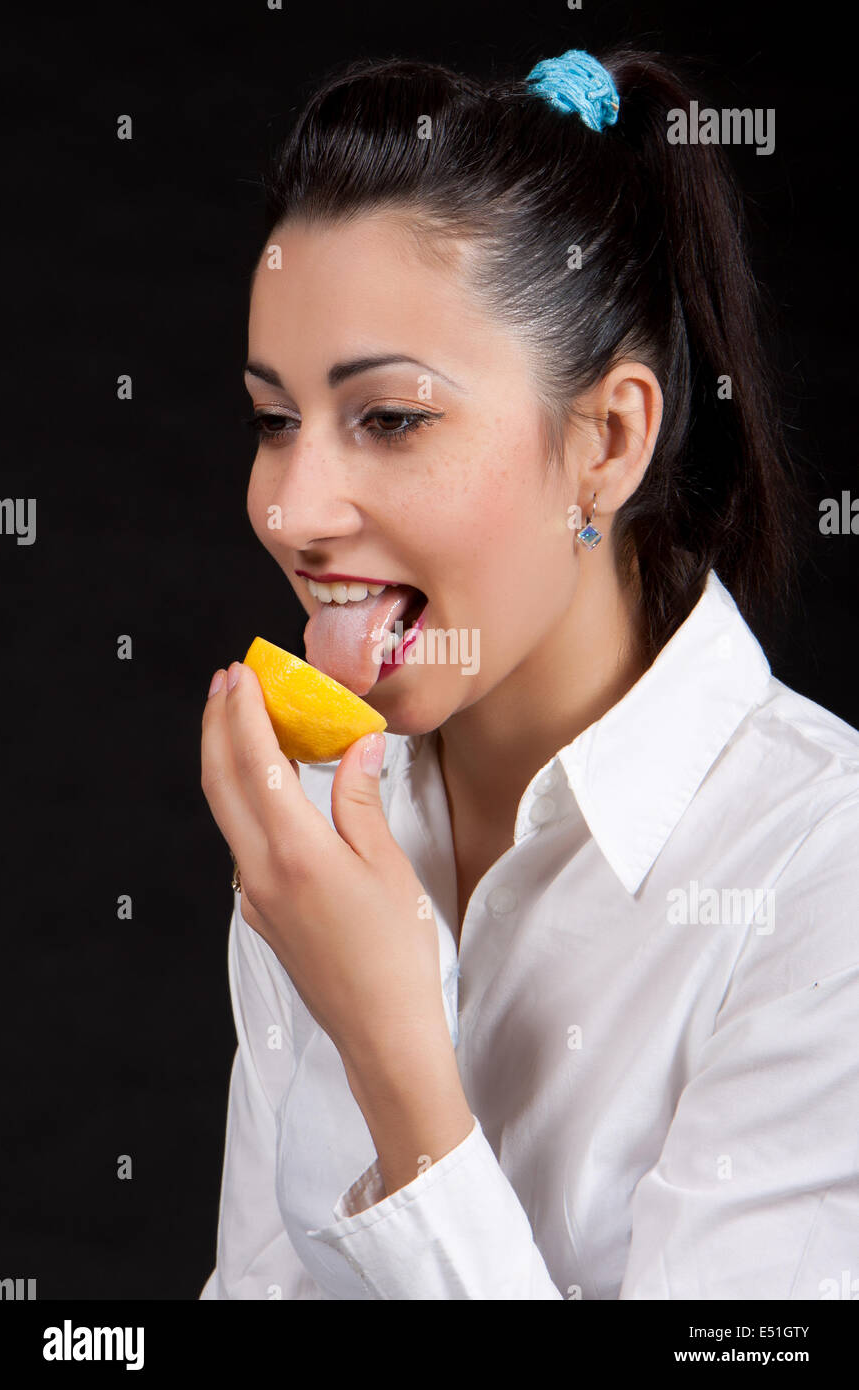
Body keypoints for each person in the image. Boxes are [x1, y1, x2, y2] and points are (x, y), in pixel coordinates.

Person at [198, 47, 859, 1299]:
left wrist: (393, 1061)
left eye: (390, 418)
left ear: (605, 440)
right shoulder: (319, 832)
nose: (290, 510)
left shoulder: (822, 876)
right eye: (274, 420)